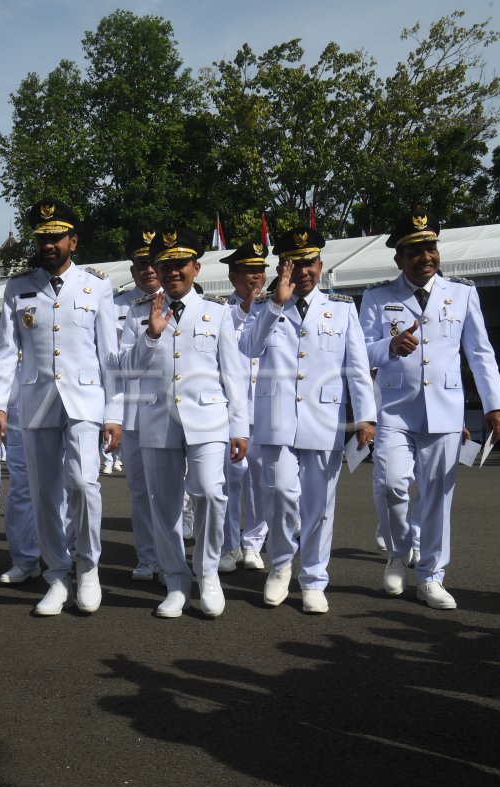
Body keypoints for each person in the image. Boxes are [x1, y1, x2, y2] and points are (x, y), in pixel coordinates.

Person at [359, 212, 500, 610]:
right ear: (399, 259)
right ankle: (397, 551)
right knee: (391, 484)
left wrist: (495, 404)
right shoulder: (378, 297)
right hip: (393, 408)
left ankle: (431, 575)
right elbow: (360, 354)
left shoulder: (461, 293)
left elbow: (479, 351)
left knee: (437, 496)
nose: (425, 257)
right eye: (415, 252)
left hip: (444, 408)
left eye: (430, 248)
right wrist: (389, 347)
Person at [0, 199, 122, 616]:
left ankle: (88, 567)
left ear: (72, 240)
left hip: (84, 400)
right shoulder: (19, 287)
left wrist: (114, 412)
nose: (48, 243)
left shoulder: (96, 286)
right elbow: (7, 351)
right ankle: (57, 574)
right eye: (43, 237)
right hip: (36, 399)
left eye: (56, 236)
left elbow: (109, 355)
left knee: (83, 483)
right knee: (44, 491)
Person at [239, 226, 376, 614]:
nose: (302, 272)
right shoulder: (267, 304)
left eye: (309, 264)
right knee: (281, 495)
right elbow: (247, 347)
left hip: (325, 420)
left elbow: (358, 368)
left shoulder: (343, 308)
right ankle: (281, 565)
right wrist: (276, 305)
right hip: (277, 418)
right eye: (293, 264)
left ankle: (314, 577)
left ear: (320, 265)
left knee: (319, 505)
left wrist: (365, 417)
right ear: (283, 268)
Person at [120, 227, 249, 618]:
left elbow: (233, 373)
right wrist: (150, 336)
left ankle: (207, 572)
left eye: (180, 264)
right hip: (157, 418)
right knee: (165, 505)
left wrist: (239, 426)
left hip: (208, 417)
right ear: (155, 268)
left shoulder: (217, 311)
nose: (173, 271)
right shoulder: (139, 313)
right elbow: (123, 368)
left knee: (211, 492)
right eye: (165, 264)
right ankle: (176, 580)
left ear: (195, 267)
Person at [113, 226, 163, 582]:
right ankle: (148, 557)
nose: (147, 269)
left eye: (152, 262)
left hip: (171, 410)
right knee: (141, 492)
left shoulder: (188, 299)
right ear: (132, 270)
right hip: (131, 409)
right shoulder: (117, 306)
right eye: (139, 264)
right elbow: (113, 363)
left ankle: (172, 555)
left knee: (174, 491)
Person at [220, 239, 271, 571]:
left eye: (260, 272)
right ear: (233, 277)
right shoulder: (220, 310)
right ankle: (227, 544)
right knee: (227, 481)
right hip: (229, 409)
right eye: (248, 272)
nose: (255, 279)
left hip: (266, 408)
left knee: (260, 482)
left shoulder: (275, 307)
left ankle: (253, 542)